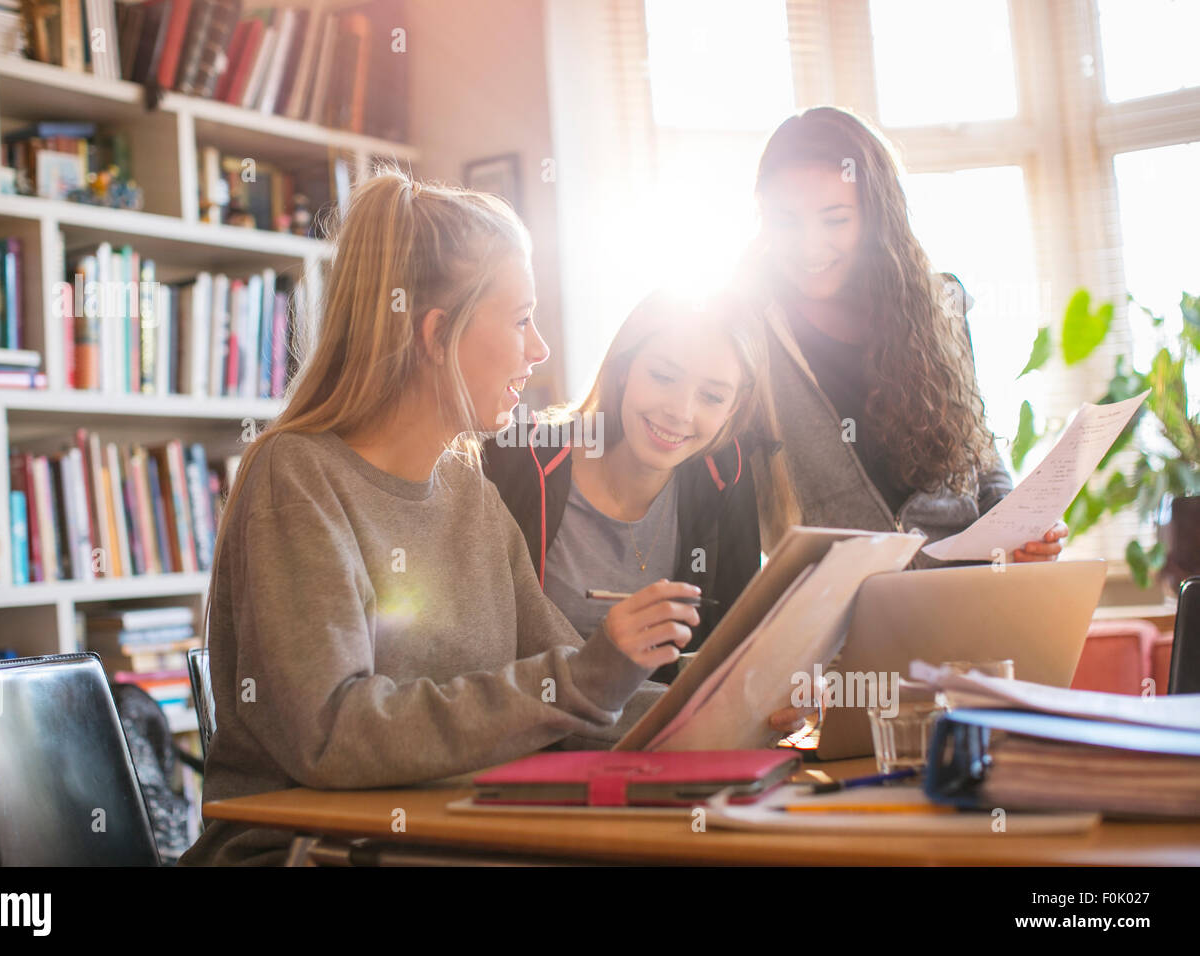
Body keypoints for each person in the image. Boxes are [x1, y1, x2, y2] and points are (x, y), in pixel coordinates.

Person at [178, 171, 701, 867]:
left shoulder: (467, 489)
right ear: (436, 333)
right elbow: (331, 734)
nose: (539, 349)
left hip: (450, 834)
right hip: (303, 850)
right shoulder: (297, 477)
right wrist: (581, 683)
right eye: (521, 320)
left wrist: (730, 710)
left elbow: (575, 700)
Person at [739, 106, 1067, 565]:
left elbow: (978, 454)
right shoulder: (747, 326)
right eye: (786, 220)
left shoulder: (940, 305)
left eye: (835, 220)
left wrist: (1019, 526)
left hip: (963, 592)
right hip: (839, 611)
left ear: (876, 219)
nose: (809, 244)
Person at [483, 289, 797, 682]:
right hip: (537, 733)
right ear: (624, 368)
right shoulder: (517, 458)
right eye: (663, 376)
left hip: (665, 736)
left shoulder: (726, 472)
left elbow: (735, 652)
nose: (680, 412)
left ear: (734, 406)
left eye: (712, 396)